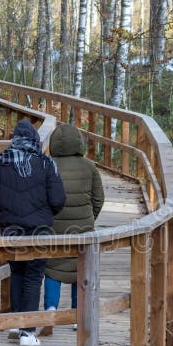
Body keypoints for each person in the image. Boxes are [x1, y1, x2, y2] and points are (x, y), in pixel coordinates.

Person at [0, 119, 66, 346]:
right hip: (39, 229)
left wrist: (6, 209)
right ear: (35, 140)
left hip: (10, 228)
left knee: (17, 272)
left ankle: (15, 322)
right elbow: (58, 199)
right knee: (33, 276)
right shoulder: (46, 163)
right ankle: (27, 332)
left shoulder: (0, 162)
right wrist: (45, 211)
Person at [42, 124, 104, 329]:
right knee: (81, 268)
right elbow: (98, 198)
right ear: (79, 142)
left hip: (53, 225)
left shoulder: (47, 164)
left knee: (52, 267)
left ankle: (51, 309)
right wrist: (89, 218)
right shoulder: (89, 166)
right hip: (82, 226)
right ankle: (79, 313)